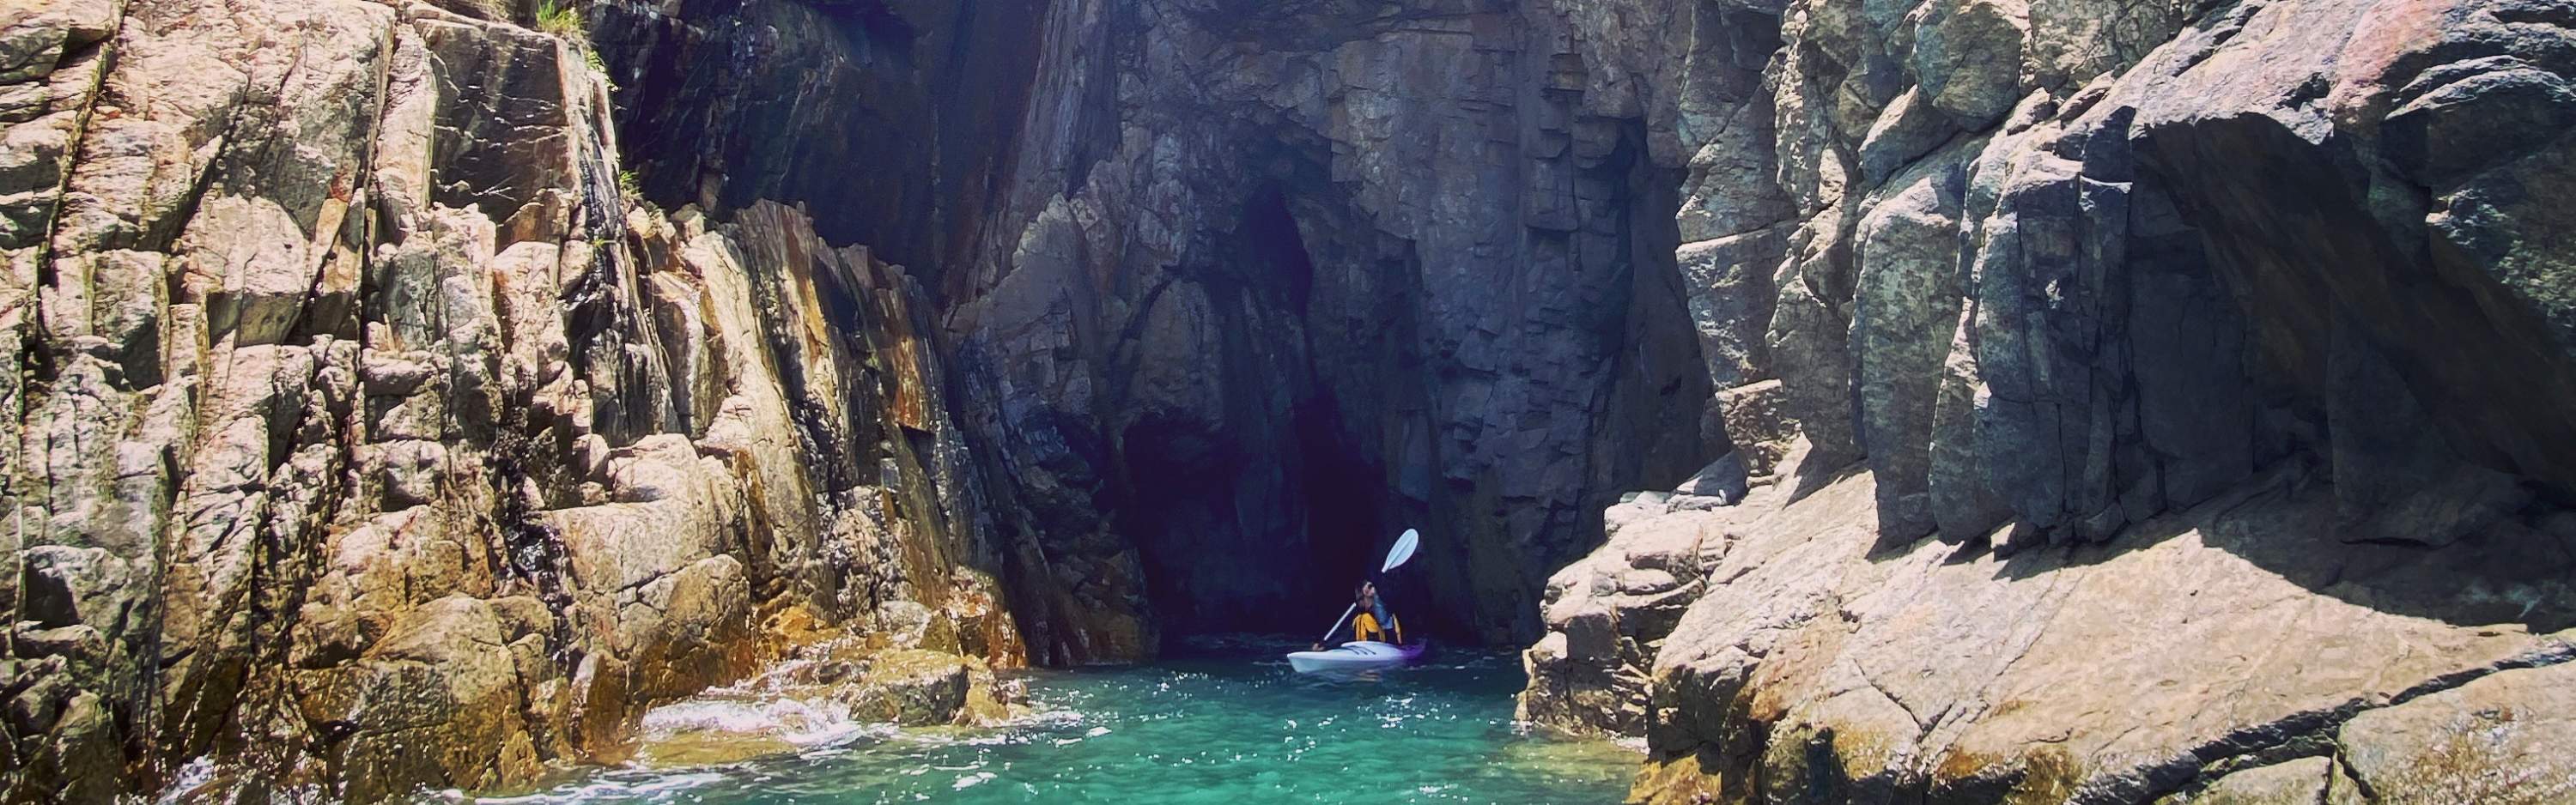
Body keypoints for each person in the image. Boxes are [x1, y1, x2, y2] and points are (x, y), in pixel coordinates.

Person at [1314, 579, 1402, 650]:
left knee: (1366, 618)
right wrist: (1325, 645)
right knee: (1361, 618)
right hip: (1365, 650)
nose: (1356, 598)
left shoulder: (1383, 609)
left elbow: (1383, 621)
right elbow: (1346, 636)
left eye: (1357, 595)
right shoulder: (1359, 617)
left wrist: (1375, 594)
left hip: (1389, 648)